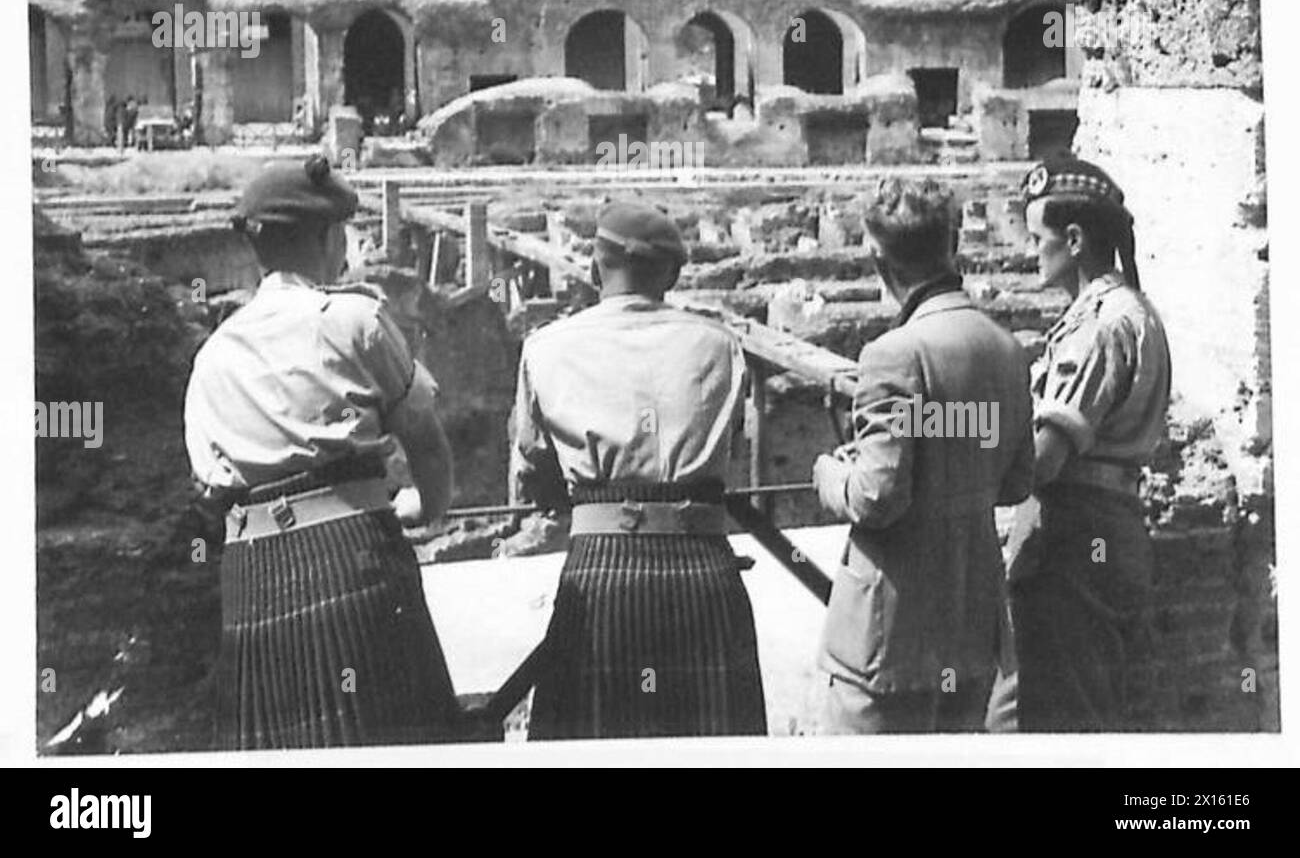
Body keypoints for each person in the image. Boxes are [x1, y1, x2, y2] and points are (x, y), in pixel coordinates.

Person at [184, 154, 460, 749]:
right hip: (351, 556)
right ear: (327, 237)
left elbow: (209, 489)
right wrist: (428, 507)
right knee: (390, 739)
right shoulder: (355, 320)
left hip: (252, 578)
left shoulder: (211, 358)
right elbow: (427, 445)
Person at [509, 199, 766, 739]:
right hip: (702, 570)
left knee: (591, 742)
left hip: (601, 570)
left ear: (596, 267)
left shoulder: (547, 347)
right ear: (672, 274)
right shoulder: (721, 345)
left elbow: (533, 473)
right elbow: (730, 458)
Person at [807, 177, 1033, 734]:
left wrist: (830, 474)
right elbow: (1016, 482)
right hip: (970, 621)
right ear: (951, 243)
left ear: (878, 258)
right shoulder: (1005, 347)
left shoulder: (894, 354)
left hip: (892, 634)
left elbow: (877, 497)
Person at [989, 155, 1171, 732]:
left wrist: (962, 462)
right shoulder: (1127, 311)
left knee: (1067, 714)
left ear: (1072, 240)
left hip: (1078, 534)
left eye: (1037, 238)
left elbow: (1044, 461)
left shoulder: (1101, 324)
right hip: (1106, 527)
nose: (1029, 251)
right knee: (1082, 703)